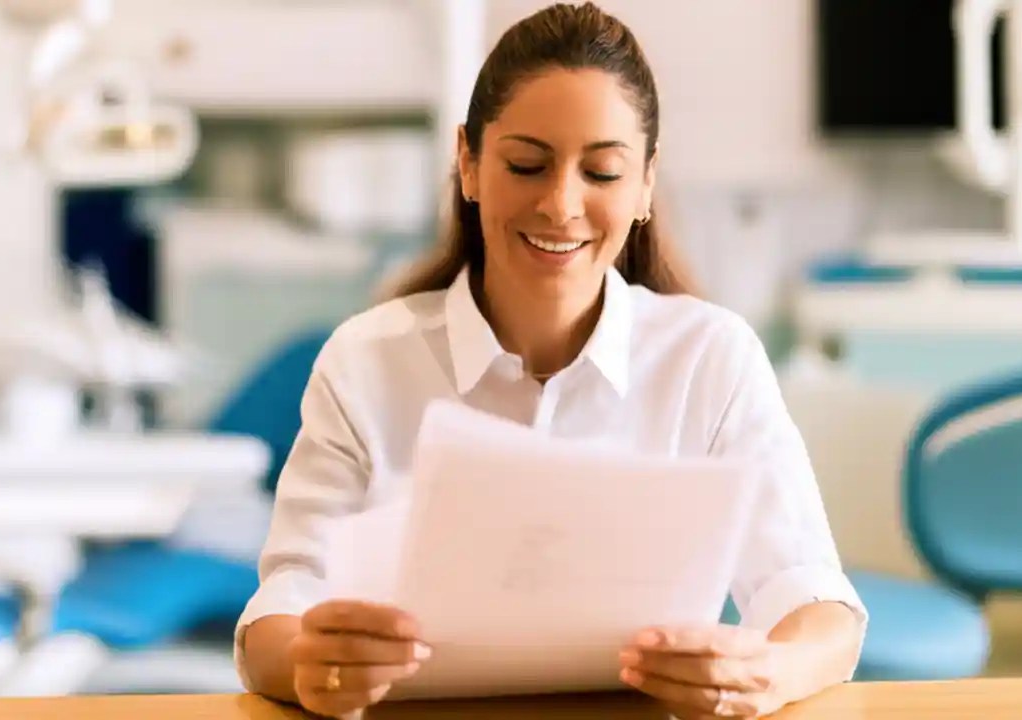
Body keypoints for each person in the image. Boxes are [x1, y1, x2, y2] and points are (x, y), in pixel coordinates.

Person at [235, 3, 867, 718]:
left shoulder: (710, 360)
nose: (562, 204)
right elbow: (278, 612)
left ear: (646, 187)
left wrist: (768, 672)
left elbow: (819, 605)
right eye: (527, 165)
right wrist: (310, 664)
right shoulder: (366, 363)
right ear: (468, 164)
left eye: (601, 172)